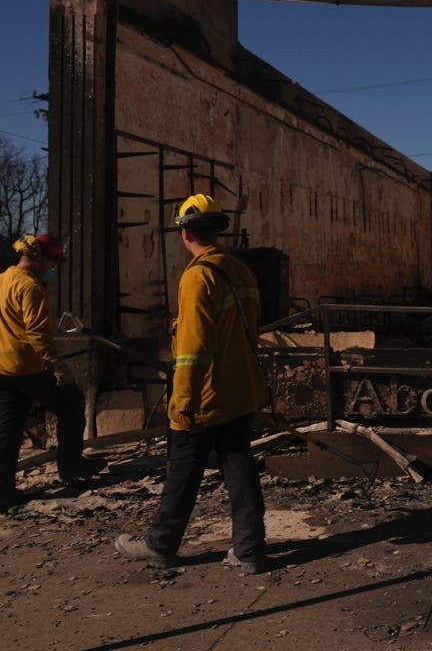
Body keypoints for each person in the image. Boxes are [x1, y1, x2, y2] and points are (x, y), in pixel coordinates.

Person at [115, 194, 270, 573]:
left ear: (184, 232)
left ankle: (160, 544)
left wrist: (182, 401)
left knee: (184, 467)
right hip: (240, 388)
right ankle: (249, 549)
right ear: (218, 229)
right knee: (238, 465)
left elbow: (193, 349)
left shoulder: (198, 276)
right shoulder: (240, 270)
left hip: (205, 393)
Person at [0, 234, 106, 510]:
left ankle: (3, 494)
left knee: (8, 430)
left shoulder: (4, 279)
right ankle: (72, 466)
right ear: (43, 259)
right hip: (29, 365)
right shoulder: (30, 287)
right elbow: (37, 332)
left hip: (4, 367)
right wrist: (56, 365)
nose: (53, 269)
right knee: (71, 404)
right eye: (54, 262)